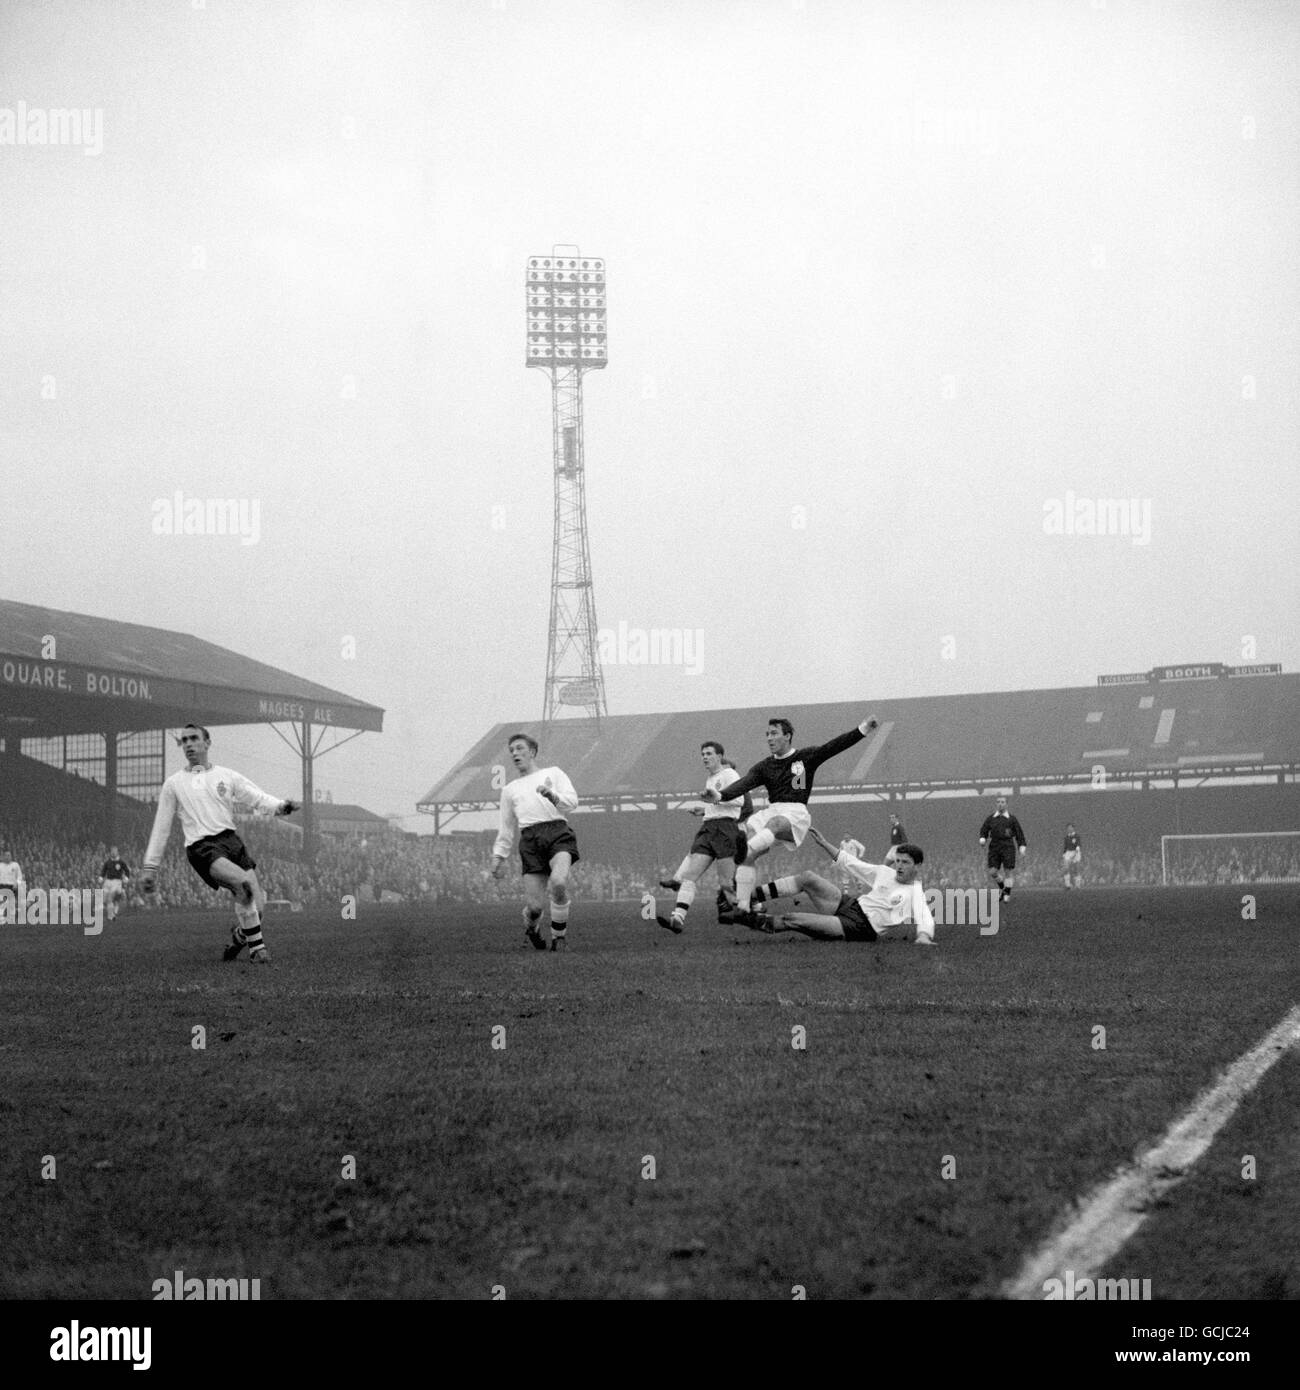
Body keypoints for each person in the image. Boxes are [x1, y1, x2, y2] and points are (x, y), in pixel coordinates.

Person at [139, 724, 300, 963]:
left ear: (207, 743)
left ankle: (238, 938)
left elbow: (256, 798)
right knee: (244, 885)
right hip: (202, 847)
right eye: (184, 740)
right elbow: (161, 826)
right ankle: (258, 950)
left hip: (231, 841)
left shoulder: (226, 776)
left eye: (194, 738)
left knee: (258, 904)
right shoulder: (173, 784)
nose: (189, 744)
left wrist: (280, 807)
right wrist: (150, 866)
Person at [703, 713, 878, 915]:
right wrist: (719, 795)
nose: (769, 738)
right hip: (772, 810)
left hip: (795, 812)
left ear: (787, 736)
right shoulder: (764, 766)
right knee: (748, 853)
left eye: (774, 733)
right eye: (767, 734)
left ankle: (745, 852)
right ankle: (744, 907)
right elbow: (743, 784)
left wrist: (864, 729)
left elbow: (834, 747)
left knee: (773, 825)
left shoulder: (805, 758)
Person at [745, 826, 935, 944]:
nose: (899, 866)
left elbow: (925, 917)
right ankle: (745, 898)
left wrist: (924, 936)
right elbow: (852, 863)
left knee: (792, 918)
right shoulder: (886, 872)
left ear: (917, 866)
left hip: (860, 928)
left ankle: (744, 918)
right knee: (808, 878)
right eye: (898, 861)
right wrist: (825, 844)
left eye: (905, 862)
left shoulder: (915, 892)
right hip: (850, 905)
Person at [491, 732, 580, 952]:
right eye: (512, 750)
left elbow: (572, 802)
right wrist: (498, 856)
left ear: (532, 752)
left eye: (520, 748)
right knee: (534, 907)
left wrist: (552, 796)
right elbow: (506, 826)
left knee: (559, 882)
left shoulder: (554, 773)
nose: (515, 753)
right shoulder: (509, 790)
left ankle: (559, 938)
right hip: (530, 840)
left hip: (557, 831)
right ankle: (532, 928)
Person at [654, 742, 753, 934]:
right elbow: (717, 804)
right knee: (690, 876)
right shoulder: (710, 778)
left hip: (725, 830)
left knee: (725, 883)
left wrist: (714, 799)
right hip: (708, 829)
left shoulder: (730, 775)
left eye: (709, 754)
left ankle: (751, 910)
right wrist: (705, 809)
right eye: (702, 754)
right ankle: (678, 918)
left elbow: (739, 801)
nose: (704, 757)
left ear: (720, 756)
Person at [978, 796, 1027, 902]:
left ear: (1006, 804)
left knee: (1008, 871)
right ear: (996, 804)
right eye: (998, 802)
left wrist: (1022, 847)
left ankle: (1006, 895)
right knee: (992, 871)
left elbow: (1019, 834)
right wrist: (983, 838)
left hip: (1008, 846)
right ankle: (1002, 887)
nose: (1000, 804)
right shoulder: (991, 818)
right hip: (994, 846)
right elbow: (984, 829)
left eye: (1003, 802)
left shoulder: (1012, 819)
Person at [99, 846, 132, 921]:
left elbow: (127, 870)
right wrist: (101, 877)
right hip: (108, 881)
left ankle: (112, 914)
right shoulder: (108, 862)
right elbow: (103, 871)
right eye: (112, 851)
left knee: (110, 898)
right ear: (110, 852)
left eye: (115, 851)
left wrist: (126, 878)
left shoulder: (121, 862)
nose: (113, 853)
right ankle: (112, 915)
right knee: (106, 899)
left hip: (117, 882)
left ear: (117, 852)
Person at [0, 845, 23, 924]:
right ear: (3, 856)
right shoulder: (0, 865)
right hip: (1, 886)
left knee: (11, 904)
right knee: (2, 904)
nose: (7, 857)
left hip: (12, 887)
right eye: (5, 855)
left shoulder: (15, 865)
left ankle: (11, 921)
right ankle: (1, 921)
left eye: (9, 855)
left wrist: (17, 884)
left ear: (11, 856)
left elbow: (20, 877)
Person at [1061, 824, 1082, 889]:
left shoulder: (1077, 836)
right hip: (1068, 852)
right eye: (1068, 828)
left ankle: (1077, 885)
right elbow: (1065, 847)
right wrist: (1064, 854)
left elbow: (1078, 845)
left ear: (1073, 828)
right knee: (1066, 868)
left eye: (1070, 828)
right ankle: (1068, 885)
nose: (1069, 829)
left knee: (1076, 869)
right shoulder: (1066, 837)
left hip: (1076, 852)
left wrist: (1076, 852)